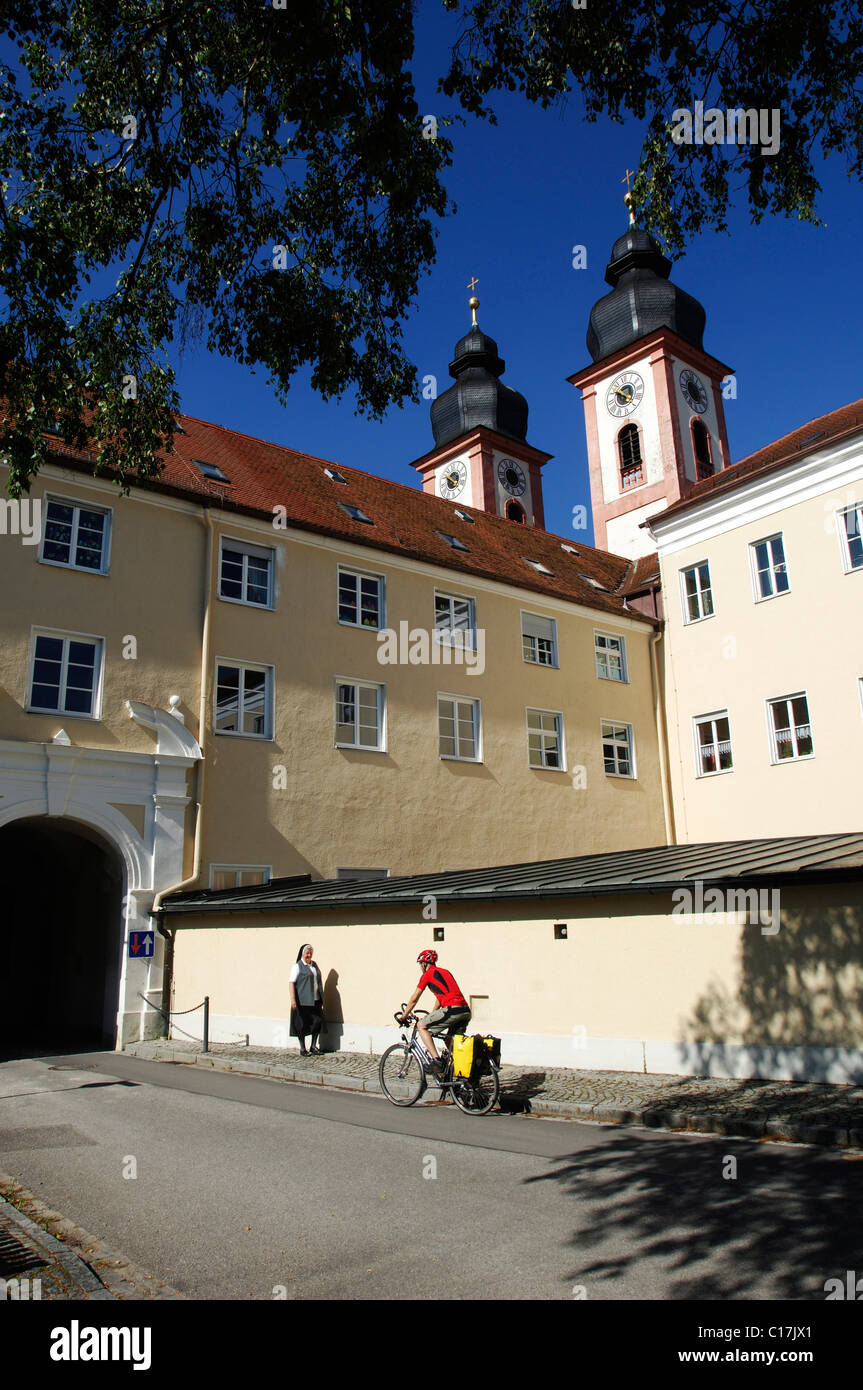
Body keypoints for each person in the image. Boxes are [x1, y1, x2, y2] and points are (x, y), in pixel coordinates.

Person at [399, 950, 471, 1077]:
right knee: (450, 1040)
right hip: (465, 1010)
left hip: (452, 1009)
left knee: (421, 1025)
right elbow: (440, 997)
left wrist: (404, 1015)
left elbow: (414, 998)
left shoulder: (427, 974)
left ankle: (437, 1061)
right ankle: (461, 1074)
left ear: (425, 963)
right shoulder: (445, 972)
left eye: (420, 964)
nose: (420, 967)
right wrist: (432, 1014)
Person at [289, 943, 325, 1055]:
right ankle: (303, 1049)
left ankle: (313, 1046)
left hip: (315, 999)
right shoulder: (297, 966)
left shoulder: (314, 965)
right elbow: (291, 983)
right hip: (302, 1001)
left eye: (310, 952)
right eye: (307, 953)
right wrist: (293, 1000)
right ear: (302, 954)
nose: (309, 955)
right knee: (302, 1024)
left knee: (317, 1022)